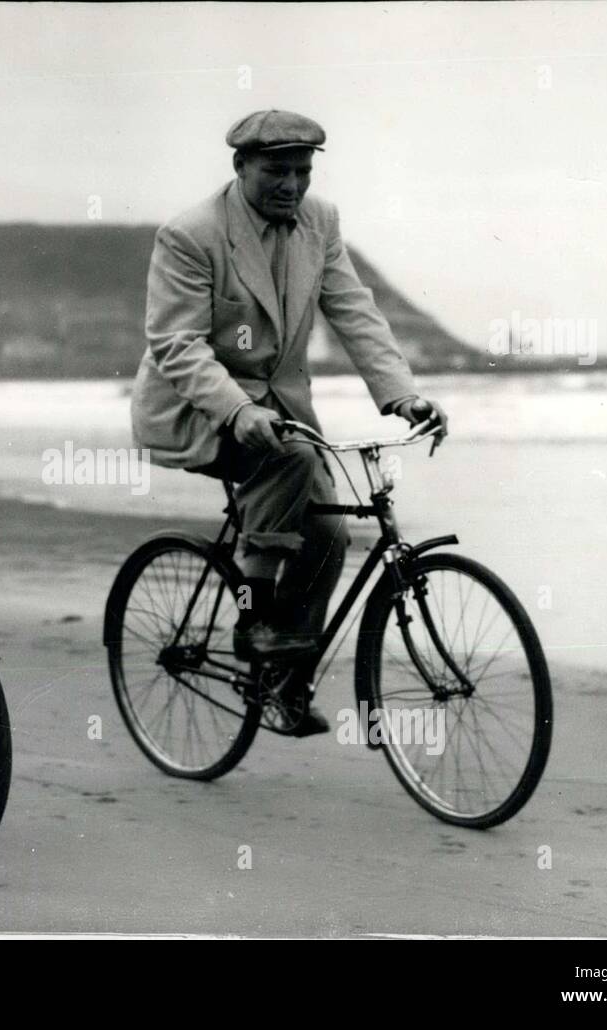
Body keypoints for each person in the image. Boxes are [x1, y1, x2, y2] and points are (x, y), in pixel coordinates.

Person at [131, 109, 448, 735]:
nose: (292, 186)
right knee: (294, 461)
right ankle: (254, 619)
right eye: (277, 171)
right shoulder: (191, 234)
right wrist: (239, 408)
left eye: (303, 171)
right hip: (197, 406)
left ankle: (283, 683)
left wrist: (403, 396)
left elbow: (354, 311)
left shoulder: (321, 222)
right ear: (240, 166)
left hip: (283, 413)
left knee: (328, 536)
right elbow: (178, 345)